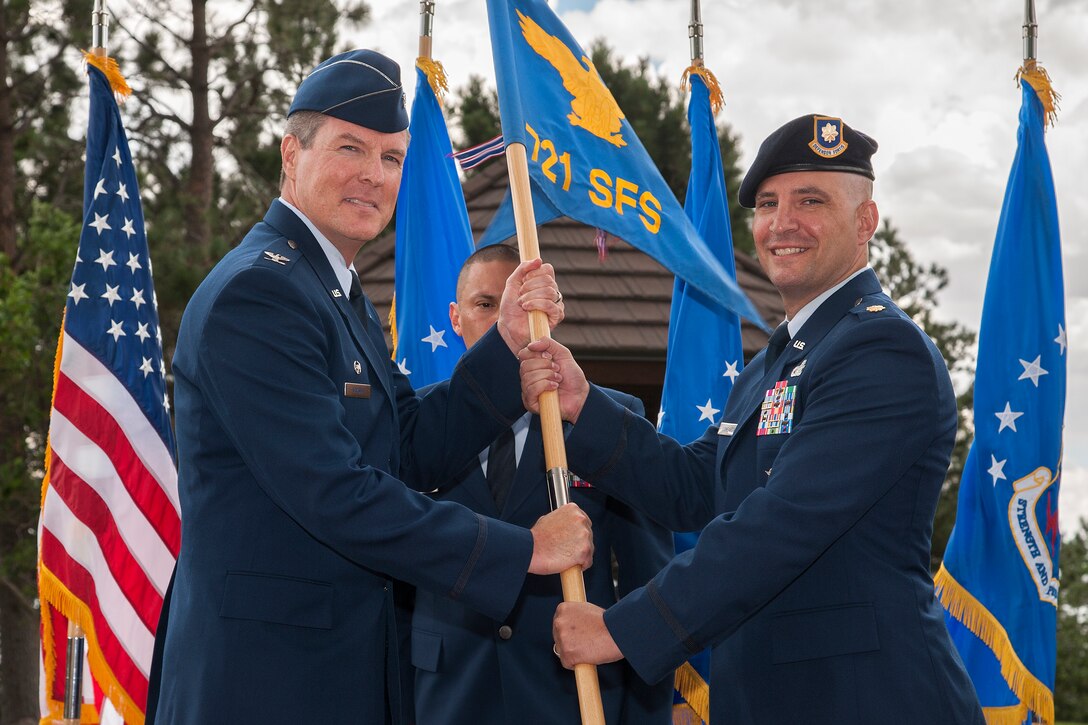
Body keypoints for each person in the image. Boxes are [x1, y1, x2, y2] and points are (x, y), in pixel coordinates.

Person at [146, 49, 594, 725]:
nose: (373, 175)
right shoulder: (261, 293)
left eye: (391, 157)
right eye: (350, 148)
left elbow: (404, 445)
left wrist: (504, 348)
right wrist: (524, 548)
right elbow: (337, 492)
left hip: (331, 673)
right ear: (291, 154)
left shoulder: (330, 291)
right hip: (266, 683)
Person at [521, 115, 987, 724]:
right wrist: (584, 403)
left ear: (865, 222)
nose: (783, 223)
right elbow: (697, 487)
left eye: (810, 201)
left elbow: (780, 523)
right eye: (768, 204)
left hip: (866, 698)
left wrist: (623, 629)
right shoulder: (773, 363)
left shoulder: (880, 350)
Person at [407, 244, 674, 724]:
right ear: (454, 316)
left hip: (571, 697)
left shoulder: (603, 419)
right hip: (446, 697)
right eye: (484, 304)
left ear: (549, 313)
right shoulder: (417, 429)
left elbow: (647, 580)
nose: (502, 320)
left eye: (524, 304)